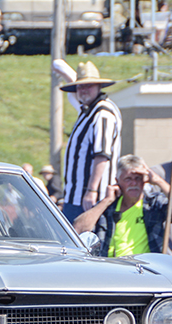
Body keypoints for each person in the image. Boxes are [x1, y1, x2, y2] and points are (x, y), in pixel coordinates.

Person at [72, 154, 172, 258]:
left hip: (144, 269)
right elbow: (78, 228)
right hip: (111, 268)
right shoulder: (109, 206)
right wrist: (106, 201)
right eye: (128, 179)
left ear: (145, 180)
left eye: (138, 178)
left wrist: (158, 181)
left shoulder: (153, 204)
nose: (134, 183)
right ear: (117, 180)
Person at [52, 60, 122, 223]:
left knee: (87, 244)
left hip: (90, 198)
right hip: (75, 196)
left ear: (99, 87)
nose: (83, 90)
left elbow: (102, 155)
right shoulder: (87, 111)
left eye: (88, 86)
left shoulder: (102, 113)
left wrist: (91, 190)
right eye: (80, 86)